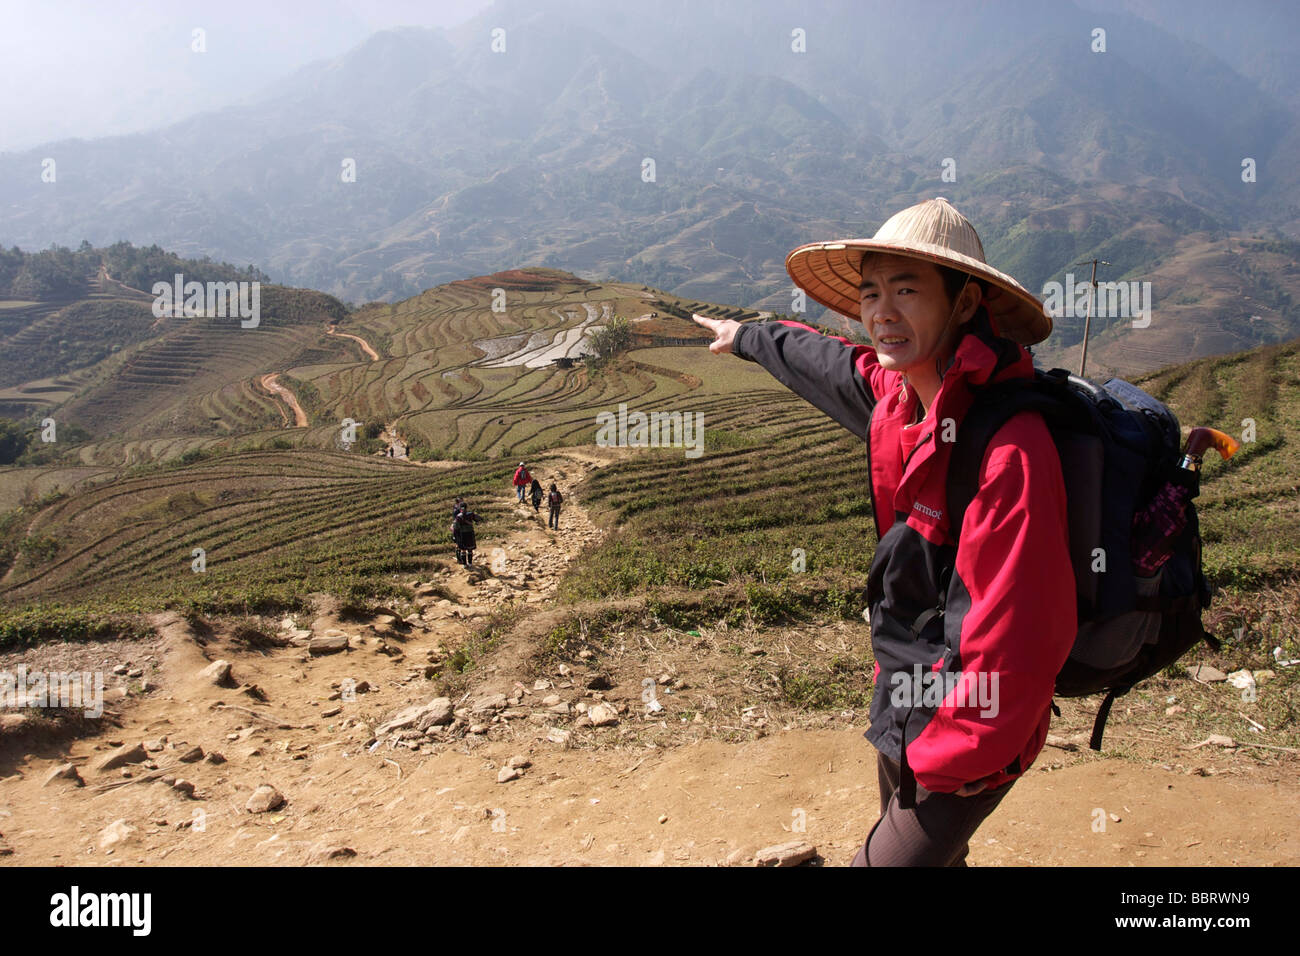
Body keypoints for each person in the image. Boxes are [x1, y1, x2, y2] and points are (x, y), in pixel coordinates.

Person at [693, 198, 1075, 867]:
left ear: (964, 304)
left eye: (907, 290)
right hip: (906, 692)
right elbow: (830, 362)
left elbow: (1015, 648)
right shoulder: (901, 400)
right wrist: (747, 336)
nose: (882, 313)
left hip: (971, 726)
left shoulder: (1010, 450)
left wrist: (939, 759)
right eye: (871, 293)